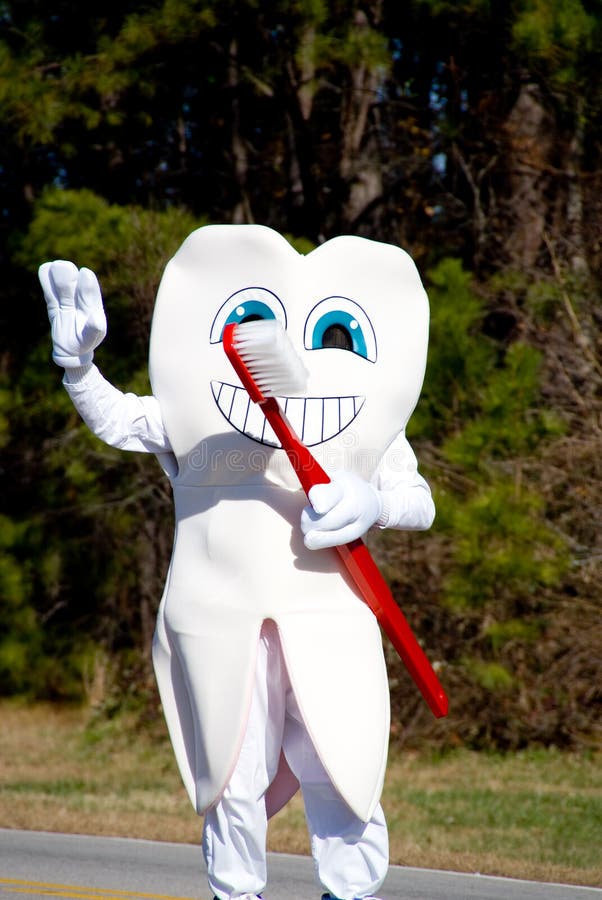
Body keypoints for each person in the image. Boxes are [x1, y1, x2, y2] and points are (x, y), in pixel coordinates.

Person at [39, 224, 435, 900]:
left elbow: (417, 500)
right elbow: (118, 419)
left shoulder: (363, 424)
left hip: (329, 623)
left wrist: (371, 502)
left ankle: (351, 893)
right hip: (222, 622)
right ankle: (236, 892)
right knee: (233, 773)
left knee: (341, 767)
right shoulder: (199, 417)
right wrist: (80, 370)